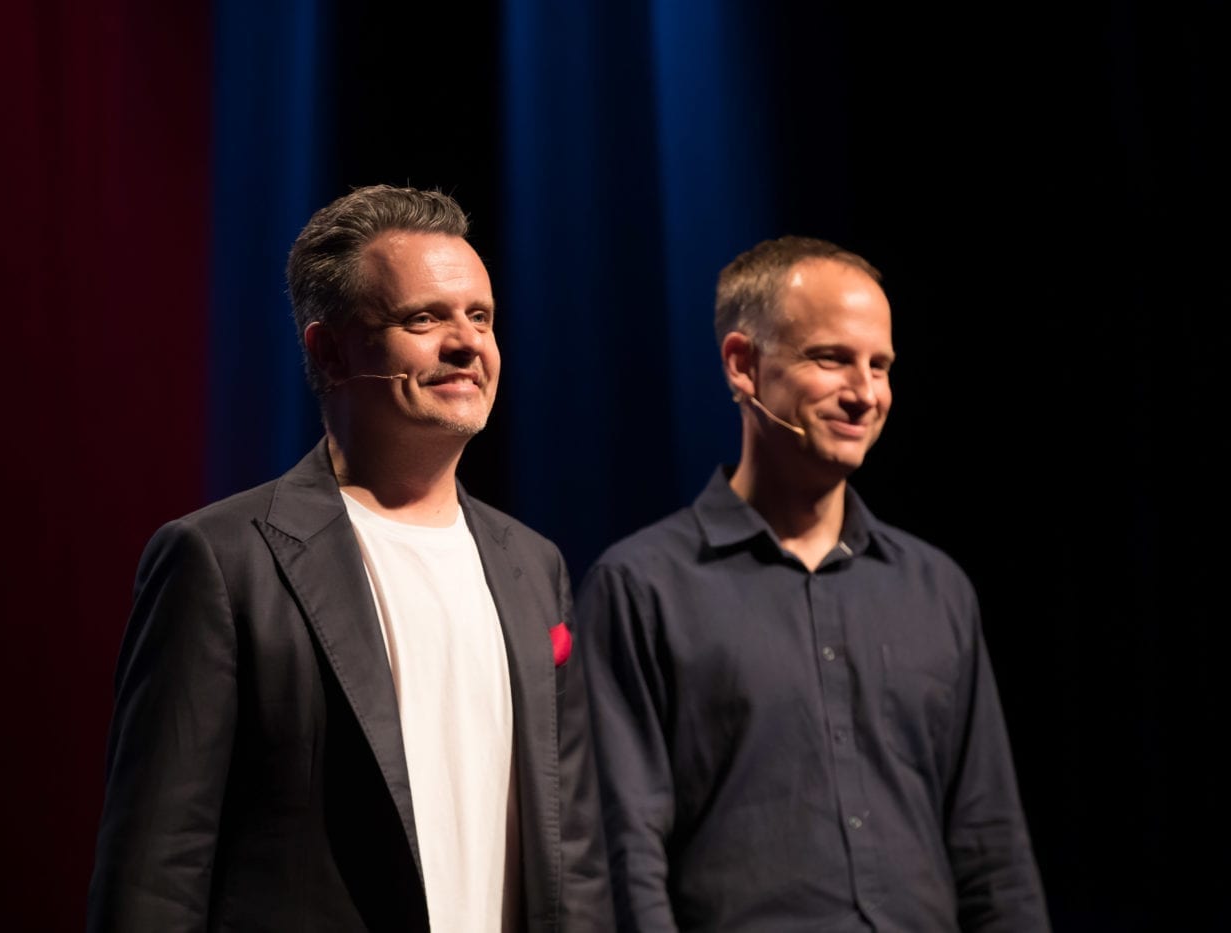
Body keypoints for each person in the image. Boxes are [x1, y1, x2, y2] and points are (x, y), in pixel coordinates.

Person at [86, 185, 611, 931]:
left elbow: (574, 851)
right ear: (329, 351)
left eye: (481, 317)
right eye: (424, 318)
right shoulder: (220, 560)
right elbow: (153, 877)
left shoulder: (534, 566)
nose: (466, 343)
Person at [576, 235, 1049, 931]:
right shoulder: (641, 587)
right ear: (743, 364)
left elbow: (992, 847)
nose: (864, 393)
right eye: (832, 358)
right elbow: (626, 853)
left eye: (880, 365)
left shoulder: (937, 589)